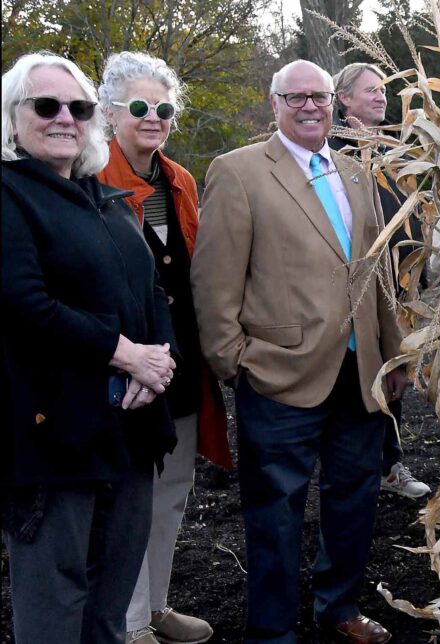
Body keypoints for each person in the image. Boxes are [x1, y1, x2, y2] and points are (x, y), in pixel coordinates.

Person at [190, 59, 406, 643]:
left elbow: (377, 267)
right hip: (277, 373)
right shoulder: (238, 172)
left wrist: (393, 354)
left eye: (319, 97)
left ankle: (339, 608)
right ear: (274, 103)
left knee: (355, 501)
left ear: (334, 103)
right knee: (274, 512)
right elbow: (214, 282)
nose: (310, 107)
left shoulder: (357, 172)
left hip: (359, 372)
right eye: (296, 97)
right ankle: (272, 631)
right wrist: (233, 359)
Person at [1, 52, 177, 643]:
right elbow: (24, 304)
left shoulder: (104, 199)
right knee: (56, 607)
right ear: (12, 118)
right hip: (56, 441)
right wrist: (125, 353)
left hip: (128, 431)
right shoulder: (9, 195)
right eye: (45, 106)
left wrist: (158, 362)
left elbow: (153, 289)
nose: (64, 119)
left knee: (109, 608)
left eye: (77, 108)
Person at [96, 51, 232, 644]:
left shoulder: (179, 180)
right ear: (108, 111)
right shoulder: (90, 177)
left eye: (165, 107)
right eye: (140, 107)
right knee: (127, 499)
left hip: (180, 364)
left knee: (171, 494)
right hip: (123, 369)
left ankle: (155, 607)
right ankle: (126, 624)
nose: (154, 117)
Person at [331, 62, 431, 501]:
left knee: (396, 370)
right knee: (359, 375)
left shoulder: (396, 151)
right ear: (343, 99)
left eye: (383, 90)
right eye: (369, 90)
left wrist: (418, 271)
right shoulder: (331, 154)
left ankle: (389, 463)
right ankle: (358, 464)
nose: (380, 96)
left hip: (401, 280)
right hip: (356, 286)